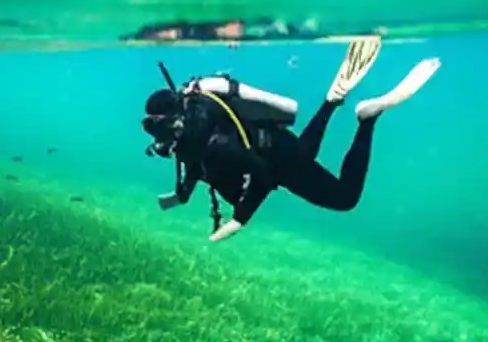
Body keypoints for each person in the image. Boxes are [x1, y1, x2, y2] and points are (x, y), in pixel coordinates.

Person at [141, 36, 441, 242]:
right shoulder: (194, 121)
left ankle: (367, 119)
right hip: (276, 142)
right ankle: (331, 101)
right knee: (303, 152)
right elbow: (194, 165)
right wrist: (179, 196)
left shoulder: (214, 145)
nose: (158, 144)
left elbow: (260, 175)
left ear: (173, 124)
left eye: (157, 132)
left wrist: (239, 220)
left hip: (276, 160)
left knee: (345, 198)